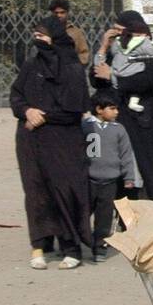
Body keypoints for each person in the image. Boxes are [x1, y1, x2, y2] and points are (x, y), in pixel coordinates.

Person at [11, 16, 93, 270]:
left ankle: (71, 247)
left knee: (64, 190)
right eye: (35, 35)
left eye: (43, 35)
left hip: (63, 141)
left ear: (56, 38)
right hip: (31, 140)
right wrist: (26, 111)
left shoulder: (72, 69)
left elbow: (75, 109)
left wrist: (42, 116)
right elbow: (16, 94)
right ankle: (39, 245)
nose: (38, 40)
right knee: (36, 192)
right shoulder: (31, 65)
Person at [93, 10, 153, 201]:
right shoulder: (116, 51)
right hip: (120, 118)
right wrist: (104, 47)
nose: (118, 34)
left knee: (147, 167)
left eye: (121, 30)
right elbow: (96, 79)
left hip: (144, 121)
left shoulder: (152, 54)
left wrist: (112, 76)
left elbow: (144, 82)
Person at [83, 90, 140, 260]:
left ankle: (99, 247)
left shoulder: (118, 130)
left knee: (104, 217)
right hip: (88, 180)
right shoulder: (85, 126)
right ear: (99, 109)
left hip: (110, 182)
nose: (116, 112)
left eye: (117, 108)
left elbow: (126, 155)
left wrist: (129, 177)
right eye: (112, 108)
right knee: (82, 213)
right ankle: (78, 242)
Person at [49, 0, 91, 67]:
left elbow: (84, 54)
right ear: (52, 13)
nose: (59, 15)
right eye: (56, 13)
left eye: (62, 12)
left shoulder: (76, 32)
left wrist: (73, 64)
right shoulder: (45, 30)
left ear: (67, 13)